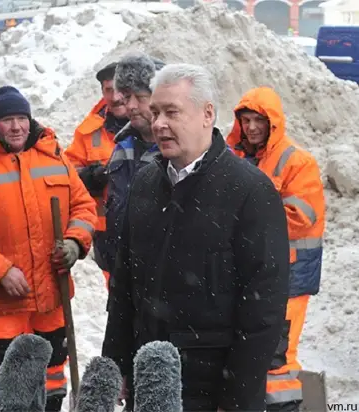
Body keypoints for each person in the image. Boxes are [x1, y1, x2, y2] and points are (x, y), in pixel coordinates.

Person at [102, 64, 290, 412]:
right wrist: (116, 365)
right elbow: (124, 288)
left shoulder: (249, 191)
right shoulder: (145, 184)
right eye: (155, 111)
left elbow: (263, 312)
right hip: (149, 380)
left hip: (211, 389)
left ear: (207, 114)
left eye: (172, 112)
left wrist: (237, 400)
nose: (159, 123)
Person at [0, 85, 97, 411]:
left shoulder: (56, 160)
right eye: (7, 120)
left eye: (21, 118)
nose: (16, 127)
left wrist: (74, 242)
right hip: (2, 301)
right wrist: (0, 271)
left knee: (54, 368)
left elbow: (84, 208)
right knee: (1, 375)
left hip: (51, 295)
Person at [227, 87, 326, 412]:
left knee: (277, 356)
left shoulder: (297, 161)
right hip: (253, 274)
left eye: (259, 120)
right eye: (246, 120)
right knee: (252, 349)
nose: (252, 127)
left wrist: (246, 213)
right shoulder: (236, 157)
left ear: (274, 123)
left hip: (289, 278)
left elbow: (303, 216)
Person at [64, 62, 129, 287]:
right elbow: (68, 173)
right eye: (108, 90)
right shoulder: (88, 130)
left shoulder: (152, 124)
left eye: (120, 88)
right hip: (107, 230)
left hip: (147, 227)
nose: (115, 96)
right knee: (118, 296)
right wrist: (89, 176)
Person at [101, 54, 159, 280]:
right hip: (126, 274)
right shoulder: (122, 150)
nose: (131, 106)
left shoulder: (179, 152)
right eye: (127, 97)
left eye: (140, 97)